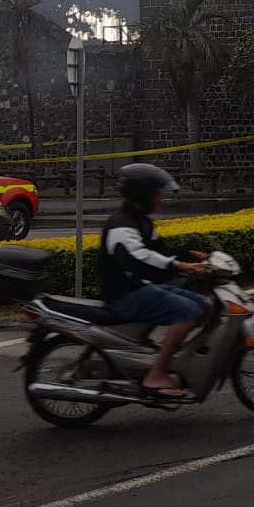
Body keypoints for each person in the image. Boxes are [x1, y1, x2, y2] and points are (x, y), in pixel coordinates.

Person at [100, 163, 211, 399]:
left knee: (205, 306)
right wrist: (179, 266)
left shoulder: (141, 220)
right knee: (189, 312)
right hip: (125, 296)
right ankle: (156, 375)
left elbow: (160, 251)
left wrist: (189, 254)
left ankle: (175, 357)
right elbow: (141, 259)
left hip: (140, 288)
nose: (160, 198)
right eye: (157, 193)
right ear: (143, 194)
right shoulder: (122, 225)